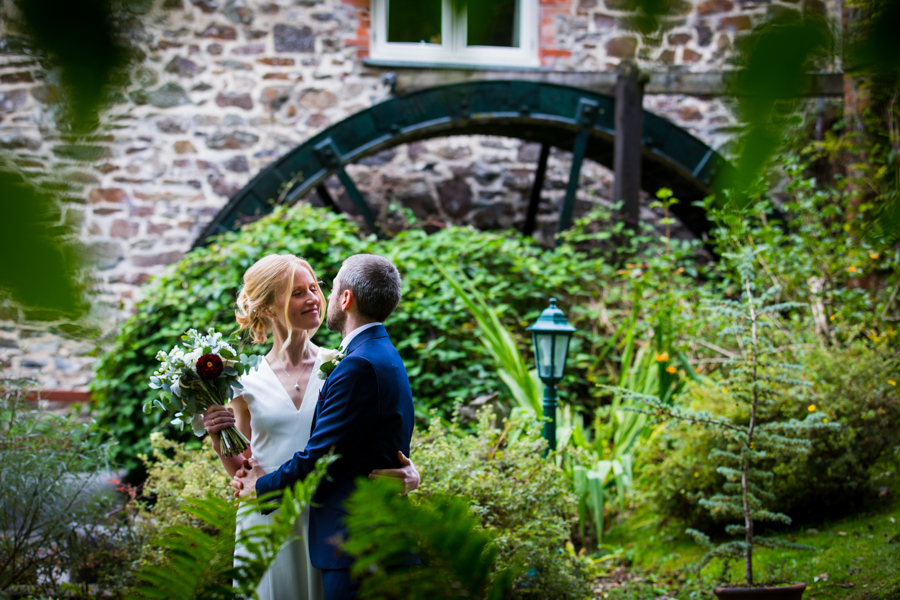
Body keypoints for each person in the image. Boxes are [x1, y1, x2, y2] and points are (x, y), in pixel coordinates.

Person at [202, 254, 419, 600]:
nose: (314, 298)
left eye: (315, 288)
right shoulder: (245, 380)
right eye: (297, 292)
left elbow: (369, 437)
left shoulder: (342, 365)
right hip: (269, 516)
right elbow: (244, 470)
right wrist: (219, 441)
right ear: (269, 308)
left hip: (331, 518)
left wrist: (409, 474)